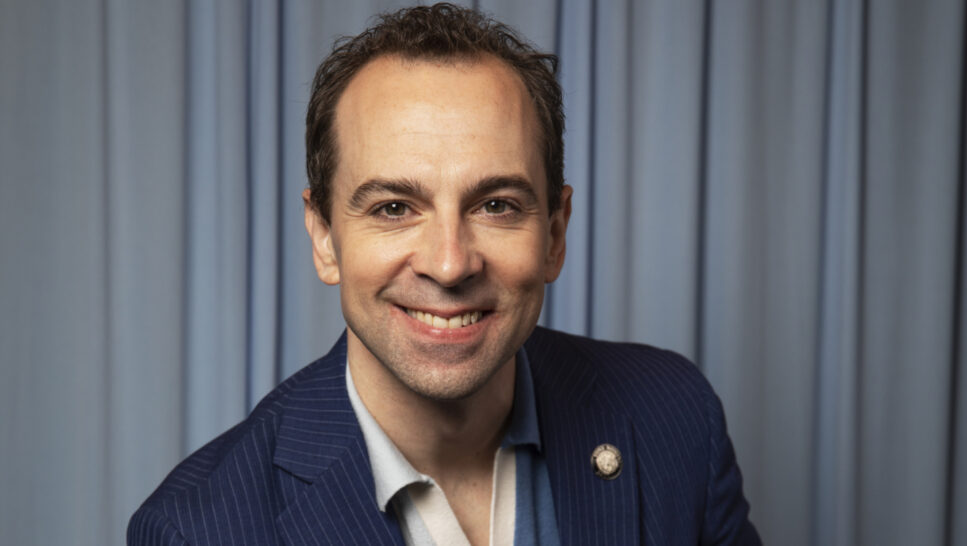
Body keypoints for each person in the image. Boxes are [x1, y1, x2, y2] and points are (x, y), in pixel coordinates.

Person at [128, 4, 760, 545]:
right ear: (324, 238)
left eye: (496, 205)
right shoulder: (198, 528)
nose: (450, 264)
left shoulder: (675, 418)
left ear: (555, 235)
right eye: (394, 208)